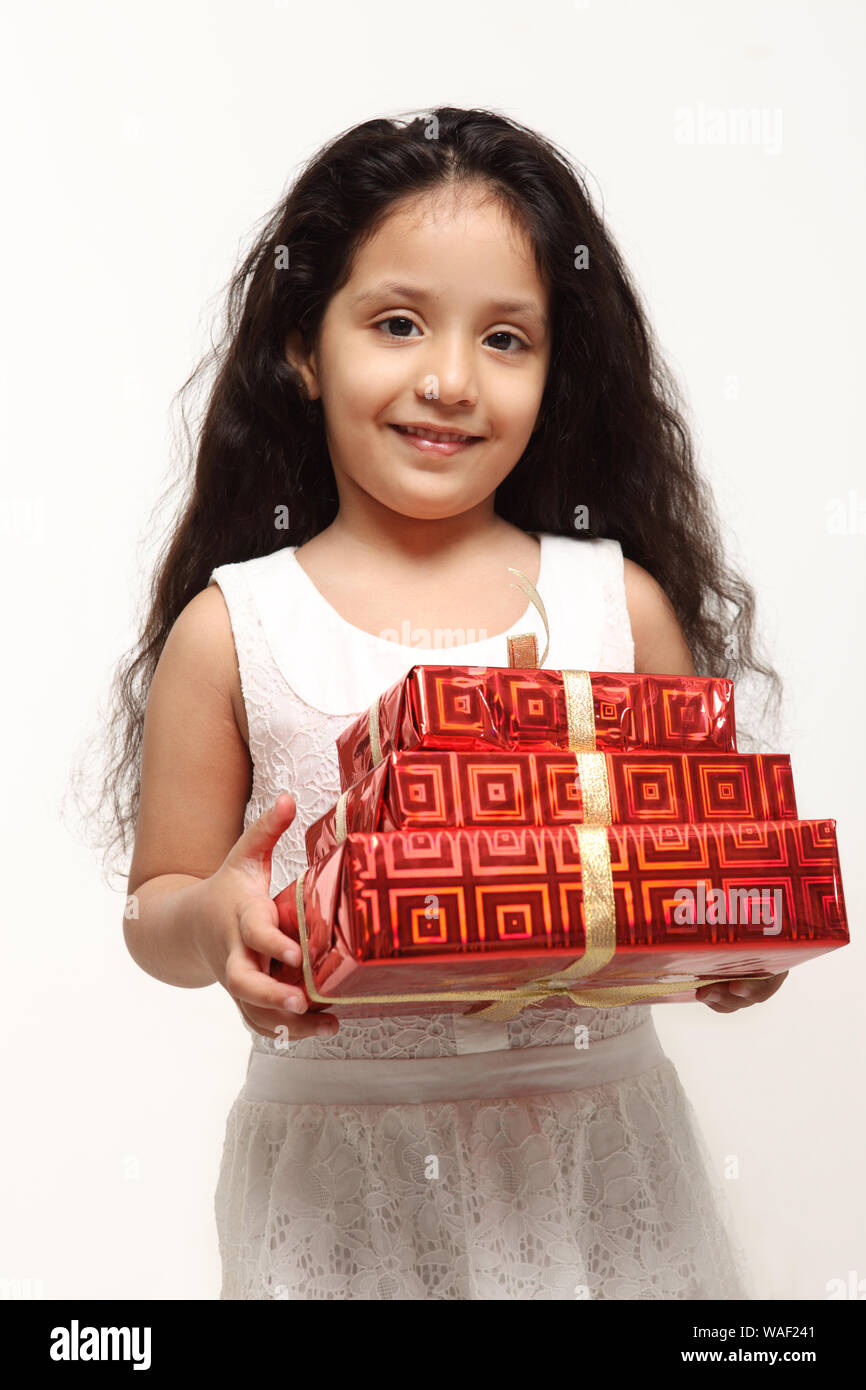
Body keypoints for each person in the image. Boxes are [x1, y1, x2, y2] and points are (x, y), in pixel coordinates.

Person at [106, 107, 787, 1299]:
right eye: (398, 322)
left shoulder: (617, 608)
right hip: (341, 1170)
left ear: (556, 369)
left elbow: (695, 855)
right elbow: (158, 903)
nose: (448, 379)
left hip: (597, 1158)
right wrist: (214, 917)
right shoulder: (233, 629)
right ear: (302, 349)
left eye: (507, 339)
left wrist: (734, 936)